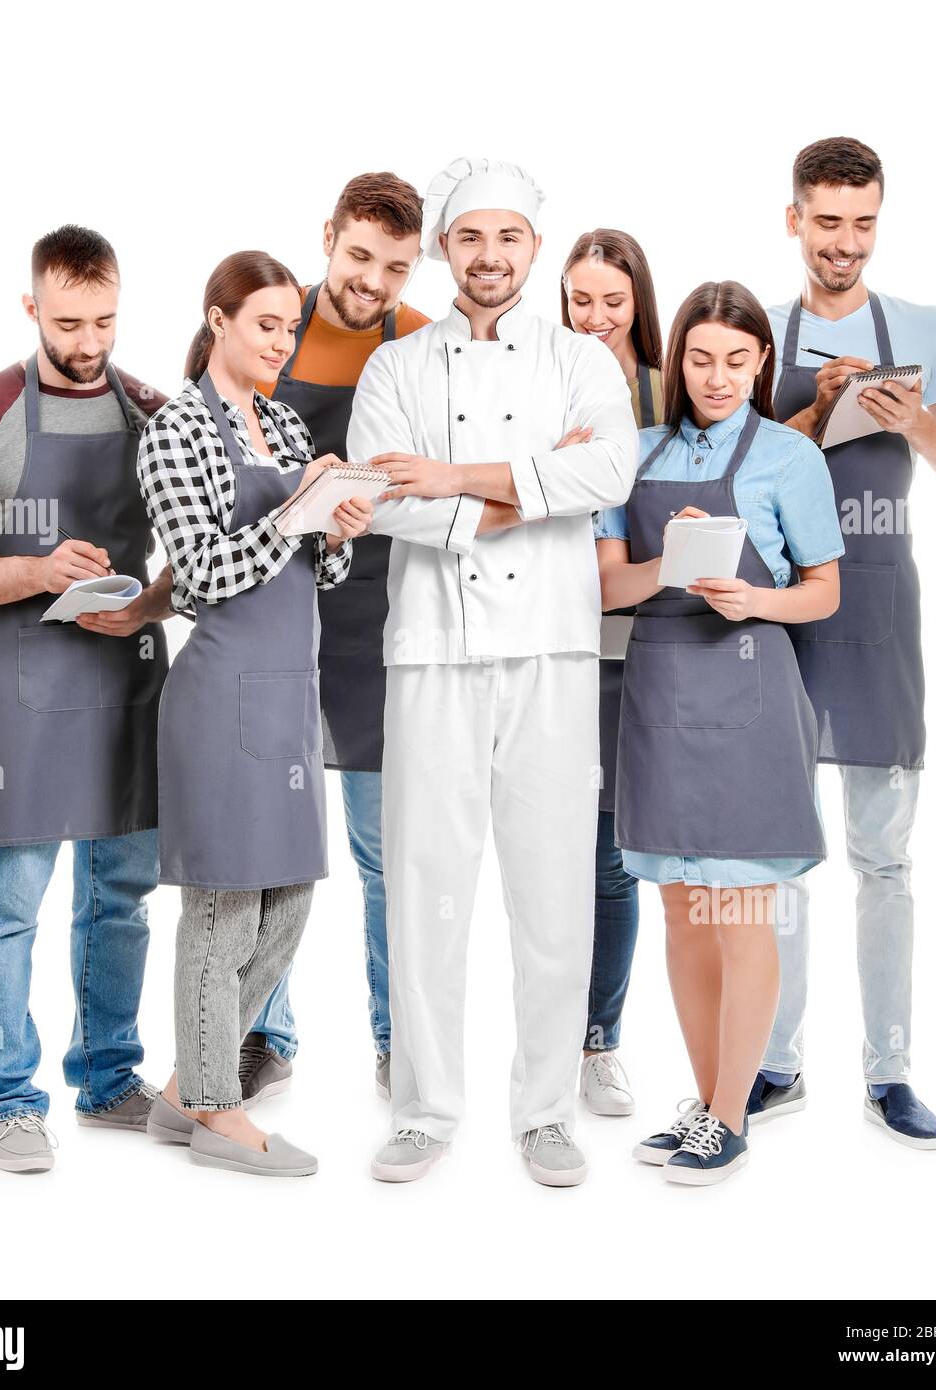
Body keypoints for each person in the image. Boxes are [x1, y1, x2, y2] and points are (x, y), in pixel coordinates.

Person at [348, 157, 638, 1187]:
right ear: (443, 248)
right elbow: (383, 500)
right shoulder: (396, 369)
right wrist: (529, 490)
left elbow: (609, 469)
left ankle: (546, 1108)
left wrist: (460, 480)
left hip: (555, 645)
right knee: (425, 883)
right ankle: (425, 1107)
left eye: (508, 237)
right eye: (470, 237)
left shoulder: (582, 362)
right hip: (430, 645)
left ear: (534, 247)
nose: (490, 256)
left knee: (554, 883)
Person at [0, 225, 175, 1173]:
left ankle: (107, 1078)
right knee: (9, 898)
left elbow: (197, 557)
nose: (91, 340)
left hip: (135, 682)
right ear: (32, 308)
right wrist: (33, 570)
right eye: (69, 322)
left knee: (124, 897)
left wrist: (145, 600)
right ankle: (10, 1100)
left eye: (105, 319)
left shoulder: (156, 413)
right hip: (27, 692)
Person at [755, 137, 936, 1149]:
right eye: (827, 220)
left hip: (882, 613)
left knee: (884, 857)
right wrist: (813, 412)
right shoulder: (754, 332)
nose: (844, 242)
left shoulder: (923, 328)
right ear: (793, 220)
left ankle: (889, 1072)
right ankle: (774, 1061)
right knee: (776, 855)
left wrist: (910, 420)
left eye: (862, 222)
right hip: (780, 620)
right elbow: (727, 474)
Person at [598, 281, 844, 1184]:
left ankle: (731, 1115)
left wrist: (755, 599)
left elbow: (824, 587)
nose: (717, 376)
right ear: (680, 360)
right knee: (680, 909)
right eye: (700, 358)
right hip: (660, 690)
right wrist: (671, 563)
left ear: (762, 363)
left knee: (740, 911)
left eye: (737, 360)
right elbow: (606, 586)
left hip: (747, 690)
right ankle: (709, 1104)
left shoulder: (789, 456)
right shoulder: (635, 453)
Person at [136, 251, 371, 1177]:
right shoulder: (176, 432)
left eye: (289, 328)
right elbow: (200, 578)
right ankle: (217, 1109)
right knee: (226, 906)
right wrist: (295, 516)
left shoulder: (280, 421)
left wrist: (337, 527)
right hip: (221, 694)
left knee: (291, 898)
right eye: (265, 324)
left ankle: (184, 1091)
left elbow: (320, 572)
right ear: (218, 319)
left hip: (289, 695)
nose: (280, 342)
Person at [244, 173, 429, 1107]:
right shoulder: (268, 325)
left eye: (394, 267)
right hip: (266, 613)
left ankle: (396, 1040)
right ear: (328, 238)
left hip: (370, 625)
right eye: (358, 258)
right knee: (267, 843)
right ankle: (259, 1032)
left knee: (380, 850)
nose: (372, 282)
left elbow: (441, 485)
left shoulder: (425, 341)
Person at [562, 228, 663, 1117]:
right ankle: (552, 1037)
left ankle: (600, 1041)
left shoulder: (673, 394)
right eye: (579, 301)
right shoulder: (543, 383)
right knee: (552, 855)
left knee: (614, 862)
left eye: (613, 302)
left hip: (651, 654)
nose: (595, 319)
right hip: (558, 650)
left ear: (640, 304)